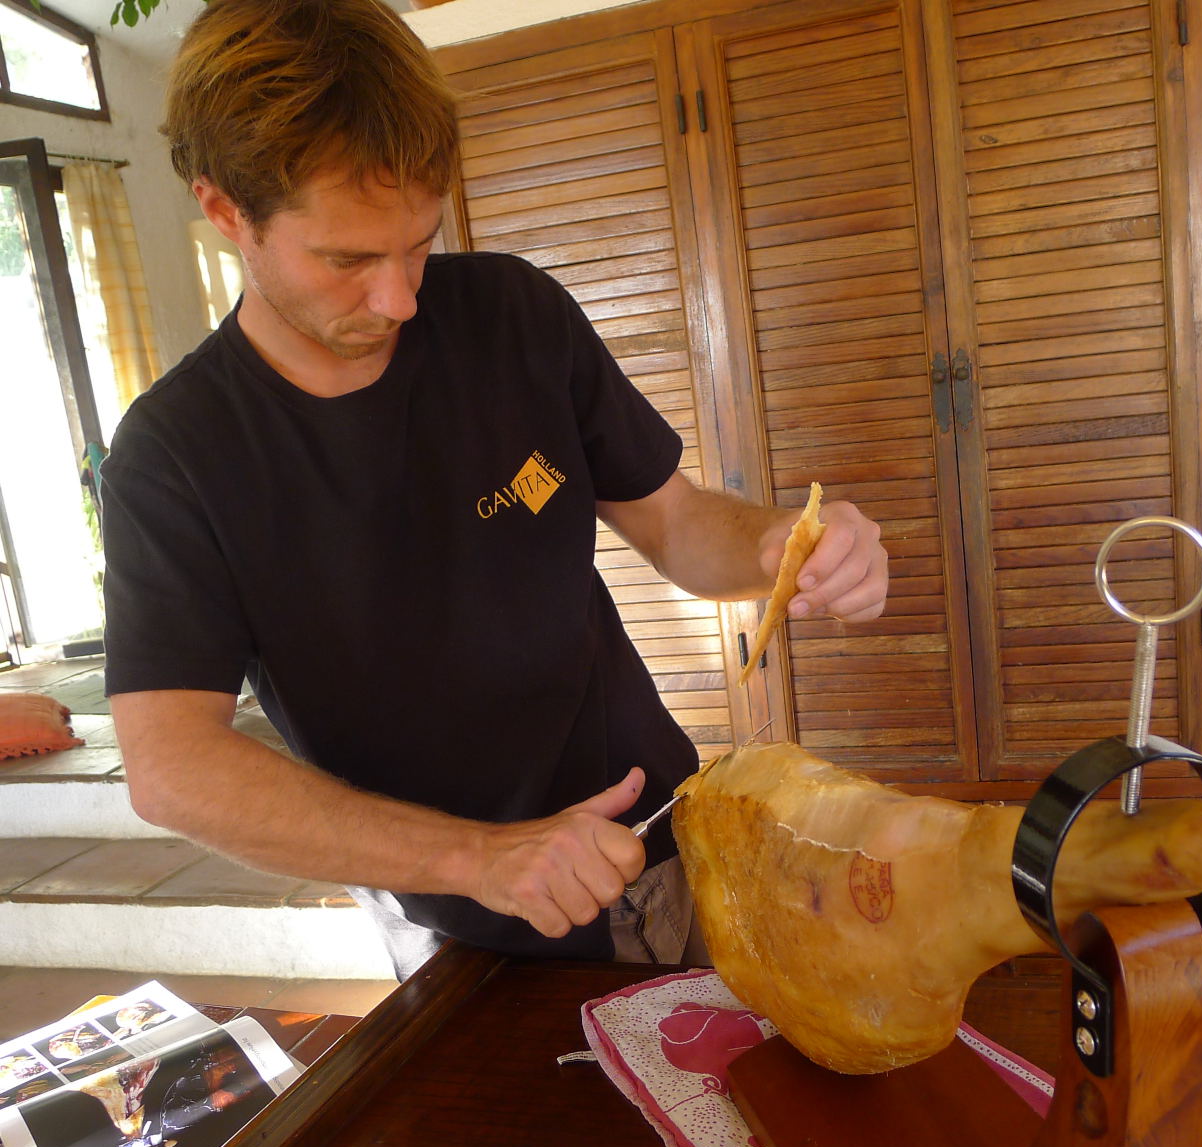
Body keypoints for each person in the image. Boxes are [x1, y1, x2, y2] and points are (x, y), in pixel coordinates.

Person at [101, 0, 888, 979]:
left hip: (665, 842)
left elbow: (680, 527)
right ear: (226, 213)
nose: (397, 300)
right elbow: (172, 766)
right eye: (348, 260)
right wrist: (480, 859)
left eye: (419, 244)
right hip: (454, 929)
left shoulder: (515, 316)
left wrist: (783, 545)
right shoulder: (176, 456)